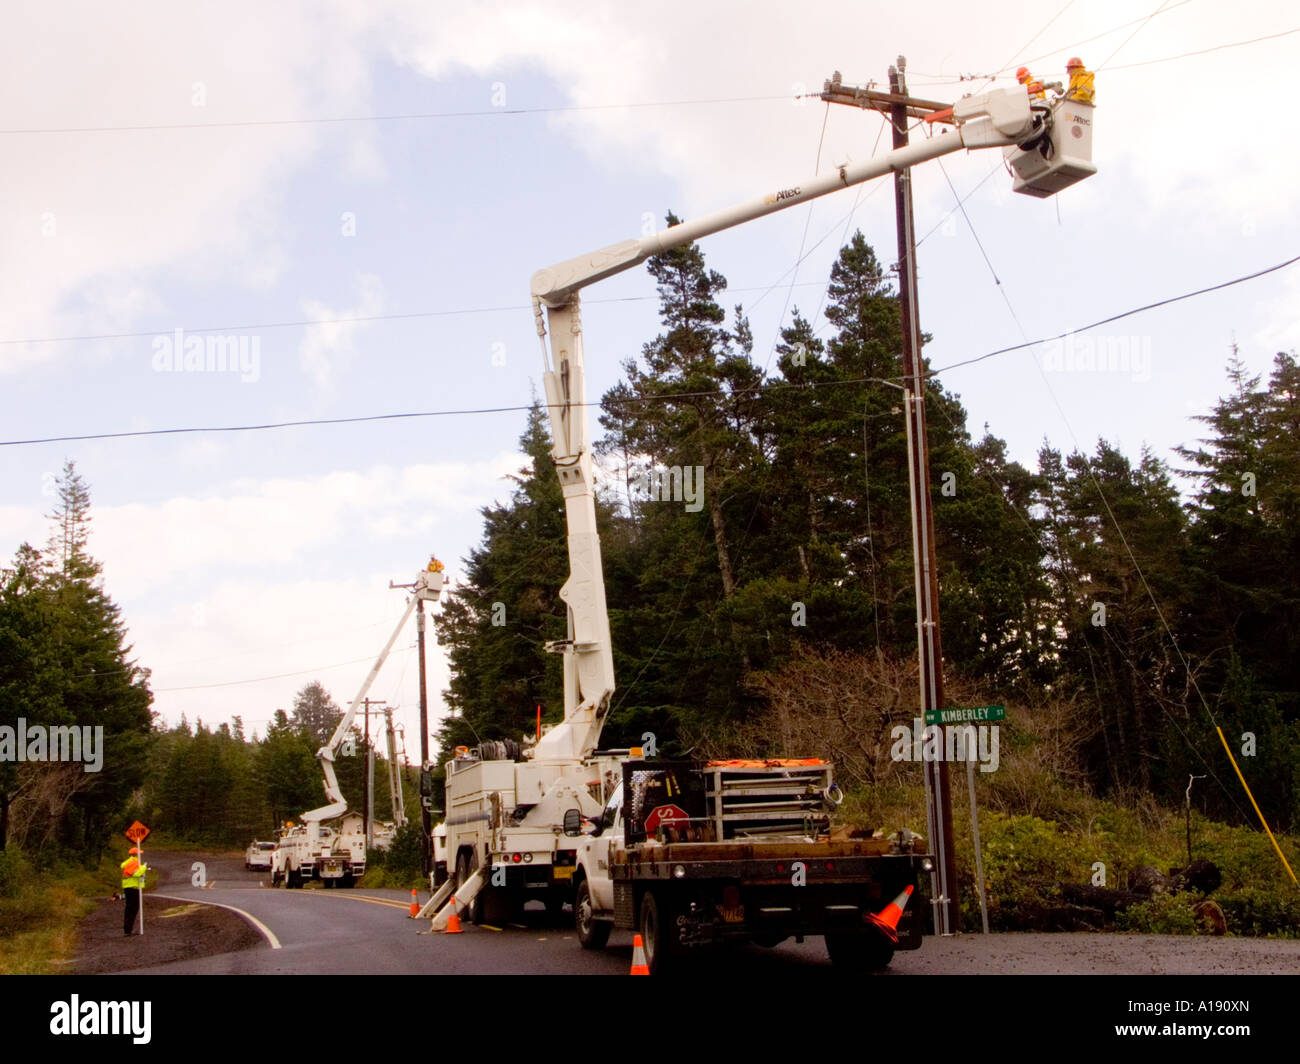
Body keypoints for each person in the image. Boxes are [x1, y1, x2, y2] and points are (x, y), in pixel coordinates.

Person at [120, 847, 148, 936]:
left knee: (129, 909)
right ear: (136, 854)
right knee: (132, 909)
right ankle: (128, 930)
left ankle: (128, 930)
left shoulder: (128, 862)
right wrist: (143, 868)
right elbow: (136, 874)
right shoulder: (134, 862)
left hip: (129, 887)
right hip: (133, 887)